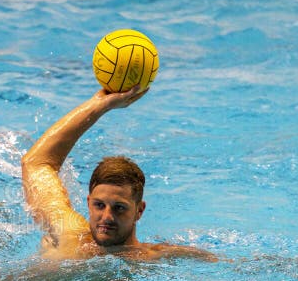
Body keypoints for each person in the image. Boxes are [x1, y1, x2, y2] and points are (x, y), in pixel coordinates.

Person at [21, 86, 216, 262]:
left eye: (119, 208)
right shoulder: (69, 233)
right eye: (99, 205)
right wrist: (100, 105)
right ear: (88, 202)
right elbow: (36, 163)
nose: (106, 217)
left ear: (139, 211)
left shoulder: (151, 259)